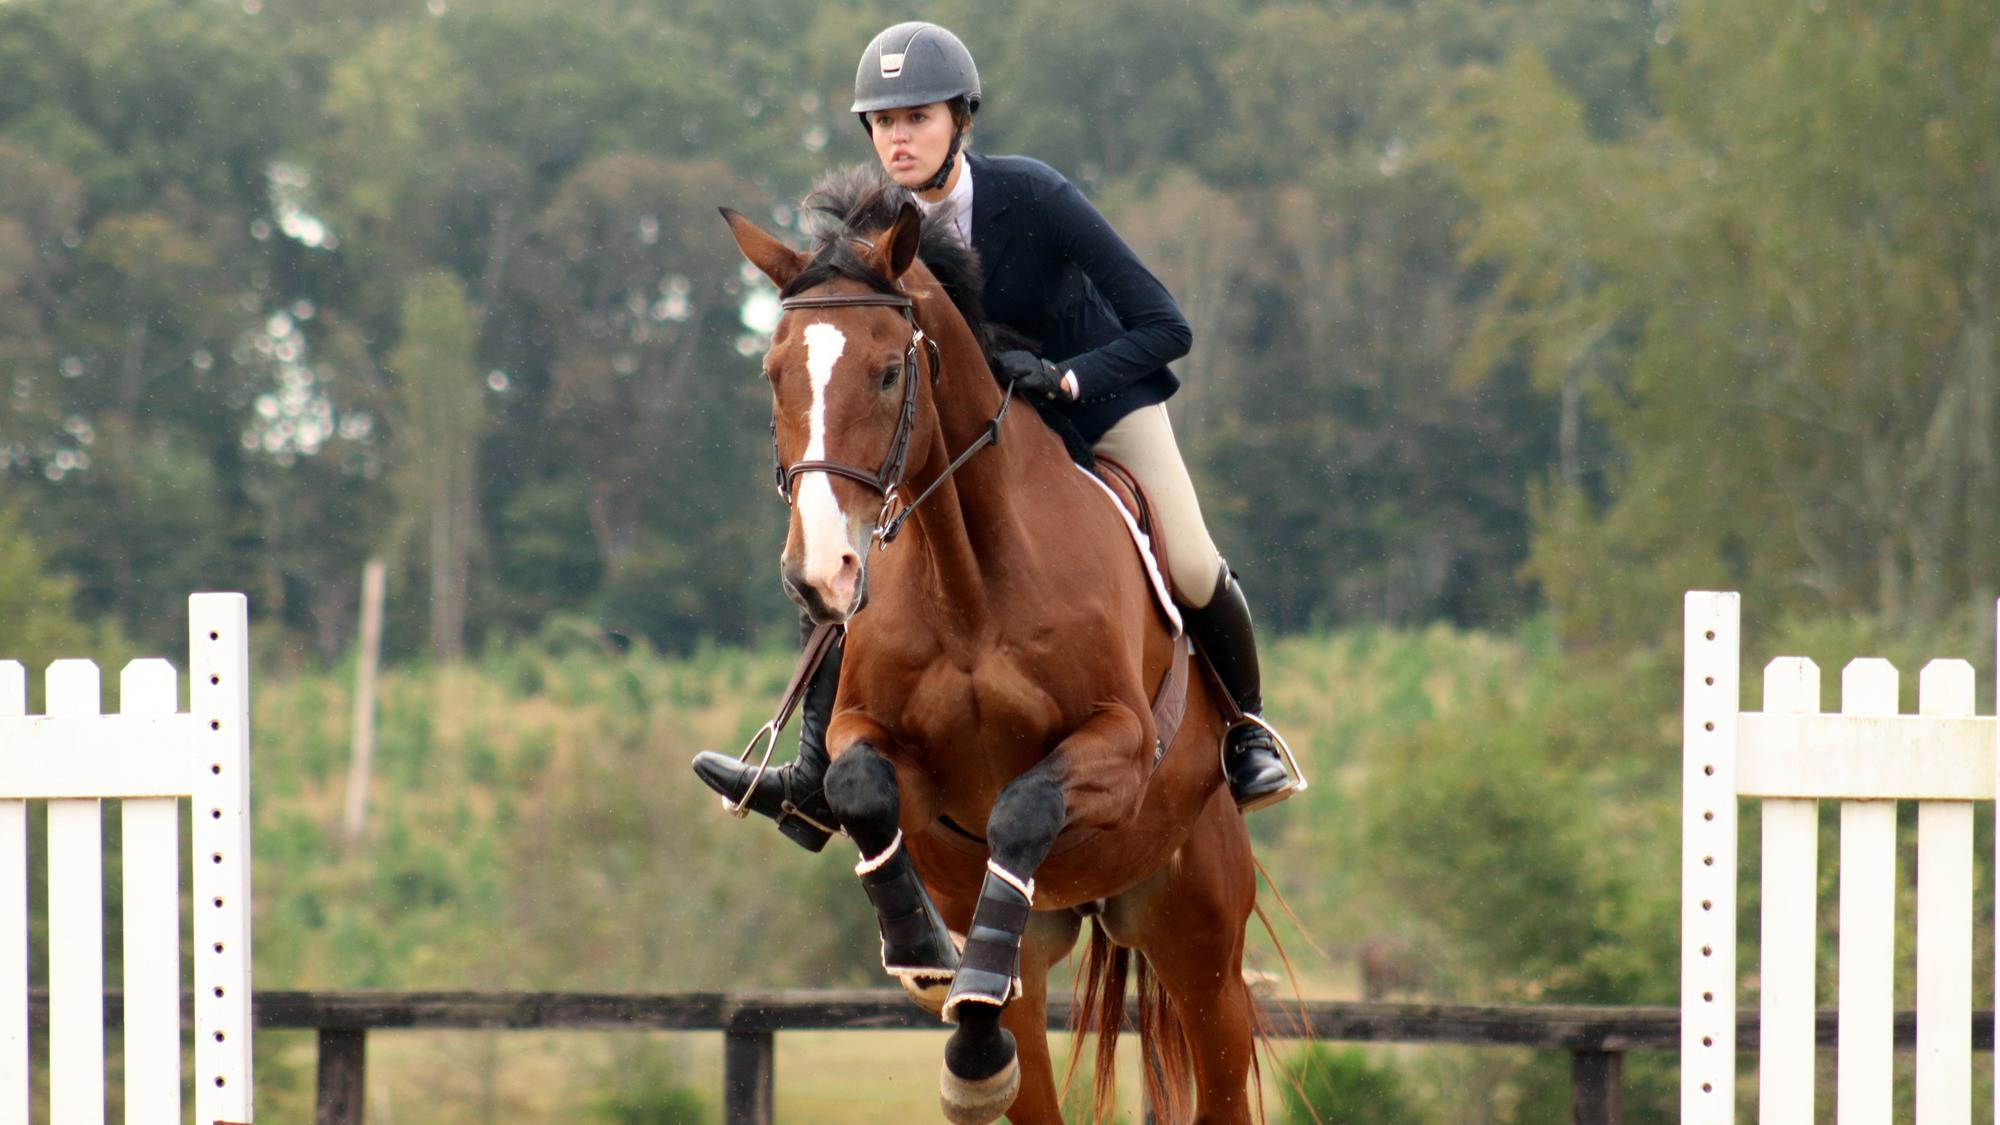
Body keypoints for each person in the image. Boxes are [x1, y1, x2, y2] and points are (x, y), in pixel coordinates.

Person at [693, 20, 1301, 852]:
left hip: (1092, 398)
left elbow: (1164, 324)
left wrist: (1072, 375)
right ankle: (811, 775)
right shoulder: (875, 236)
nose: (898, 137)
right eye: (883, 122)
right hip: (974, 440)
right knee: (847, 552)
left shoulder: (1033, 196)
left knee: (1190, 558)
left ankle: (1248, 734)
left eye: (918, 117)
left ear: (961, 121)